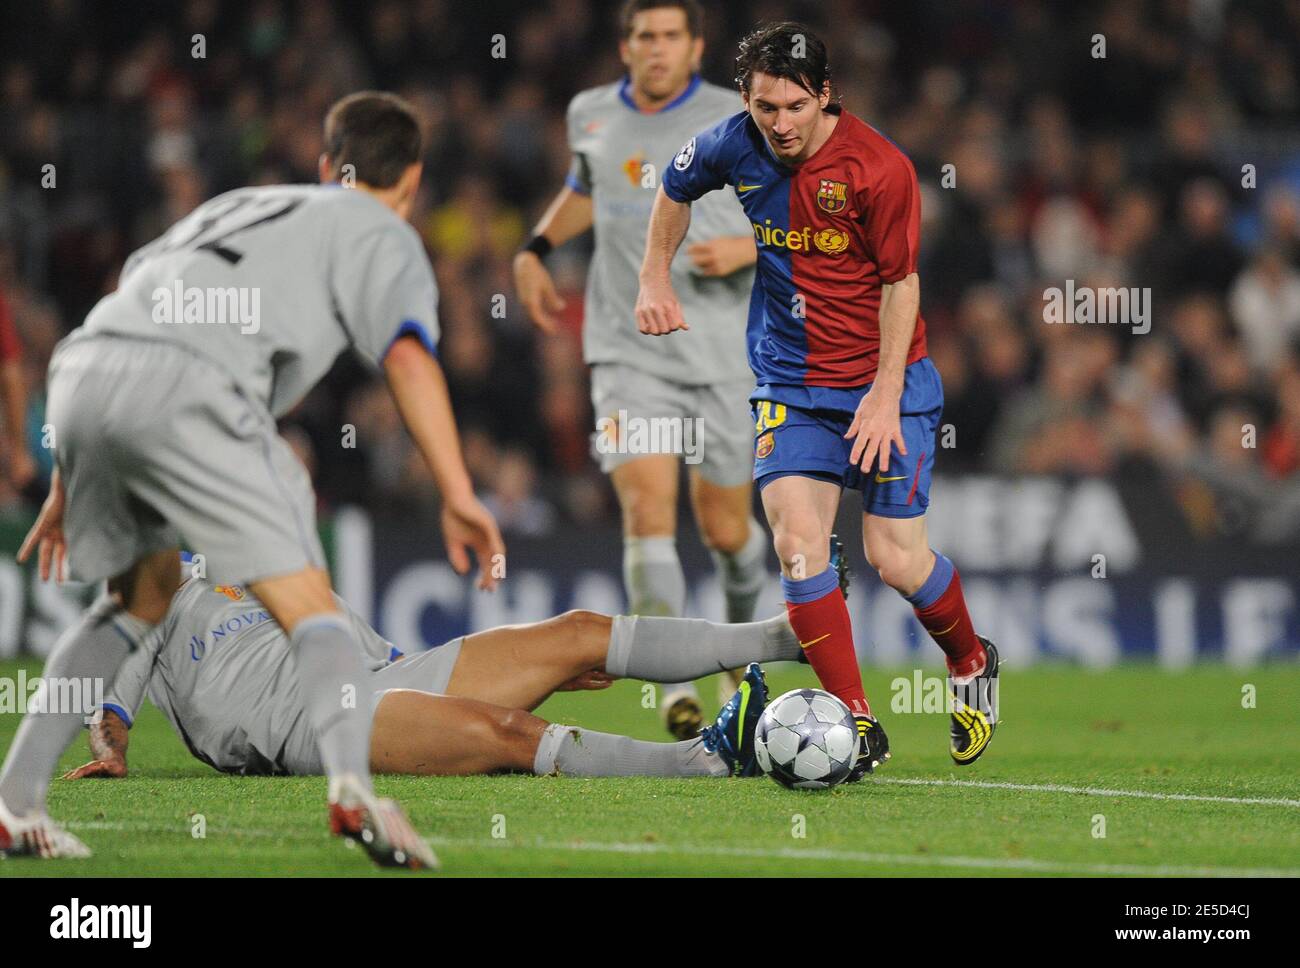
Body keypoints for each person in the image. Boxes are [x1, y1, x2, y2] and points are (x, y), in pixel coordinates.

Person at [0, 92, 504, 868]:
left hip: (83, 370)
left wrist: (71, 478)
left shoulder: (239, 206)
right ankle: (352, 794)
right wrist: (459, 490)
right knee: (309, 603)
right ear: (412, 181)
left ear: (322, 163)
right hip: (191, 387)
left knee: (140, 595)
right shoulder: (383, 232)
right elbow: (407, 356)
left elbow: (129, 300)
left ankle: (15, 804)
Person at [635, 23, 1000, 778]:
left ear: (826, 95)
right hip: (790, 385)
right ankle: (856, 723)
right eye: (766, 106)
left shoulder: (881, 168)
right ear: (747, 98)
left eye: (796, 105)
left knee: (895, 560)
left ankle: (969, 659)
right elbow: (673, 188)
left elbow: (902, 284)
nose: (781, 123)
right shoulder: (728, 144)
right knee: (799, 548)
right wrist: (653, 279)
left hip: (885, 383)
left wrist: (885, 393)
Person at [513, 0, 767, 739]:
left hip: (723, 351)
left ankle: (742, 659)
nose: (657, 50)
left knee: (726, 532)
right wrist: (535, 247)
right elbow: (588, 192)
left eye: (671, 37)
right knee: (648, 513)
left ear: (696, 47)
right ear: (626, 47)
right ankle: (673, 684)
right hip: (628, 350)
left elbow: (799, 209)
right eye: (644, 37)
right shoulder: (590, 112)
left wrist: (750, 252)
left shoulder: (740, 113)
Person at [62, 575, 787, 783]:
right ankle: (706, 760)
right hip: (313, 723)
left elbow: (378, 655)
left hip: (389, 676)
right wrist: (111, 744)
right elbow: (113, 698)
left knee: (575, 635)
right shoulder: (145, 600)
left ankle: (787, 635)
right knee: (504, 734)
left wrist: (535, 673)